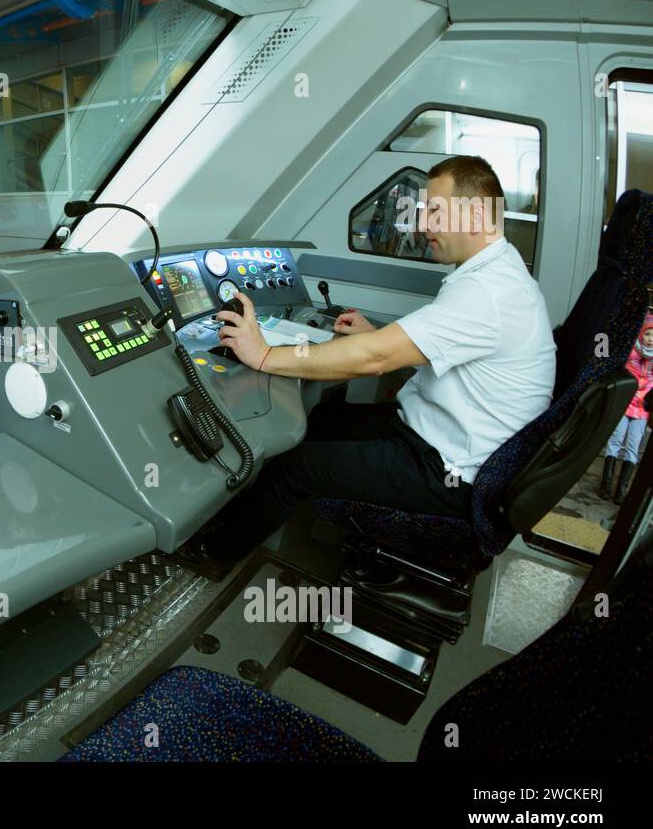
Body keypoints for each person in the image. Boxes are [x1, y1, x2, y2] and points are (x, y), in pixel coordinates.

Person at [208, 155, 556, 566]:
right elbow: (443, 353)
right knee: (316, 423)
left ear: (477, 213)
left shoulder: (490, 291)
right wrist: (377, 337)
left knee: (295, 468)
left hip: (450, 471)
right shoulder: (494, 273)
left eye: (436, 212)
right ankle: (235, 521)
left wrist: (263, 354)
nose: (425, 226)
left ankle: (213, 555)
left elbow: (375, 360)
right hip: (435, 434)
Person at [600, 315, 653, 503]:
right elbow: (611, 360)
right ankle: (605, 487)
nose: (650, 339)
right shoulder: (631, 351)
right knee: (615, 442)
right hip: (624, 404)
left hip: (642, 409)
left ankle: (621, 492)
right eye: (648, 333)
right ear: (641, 333)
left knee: (632, 448)